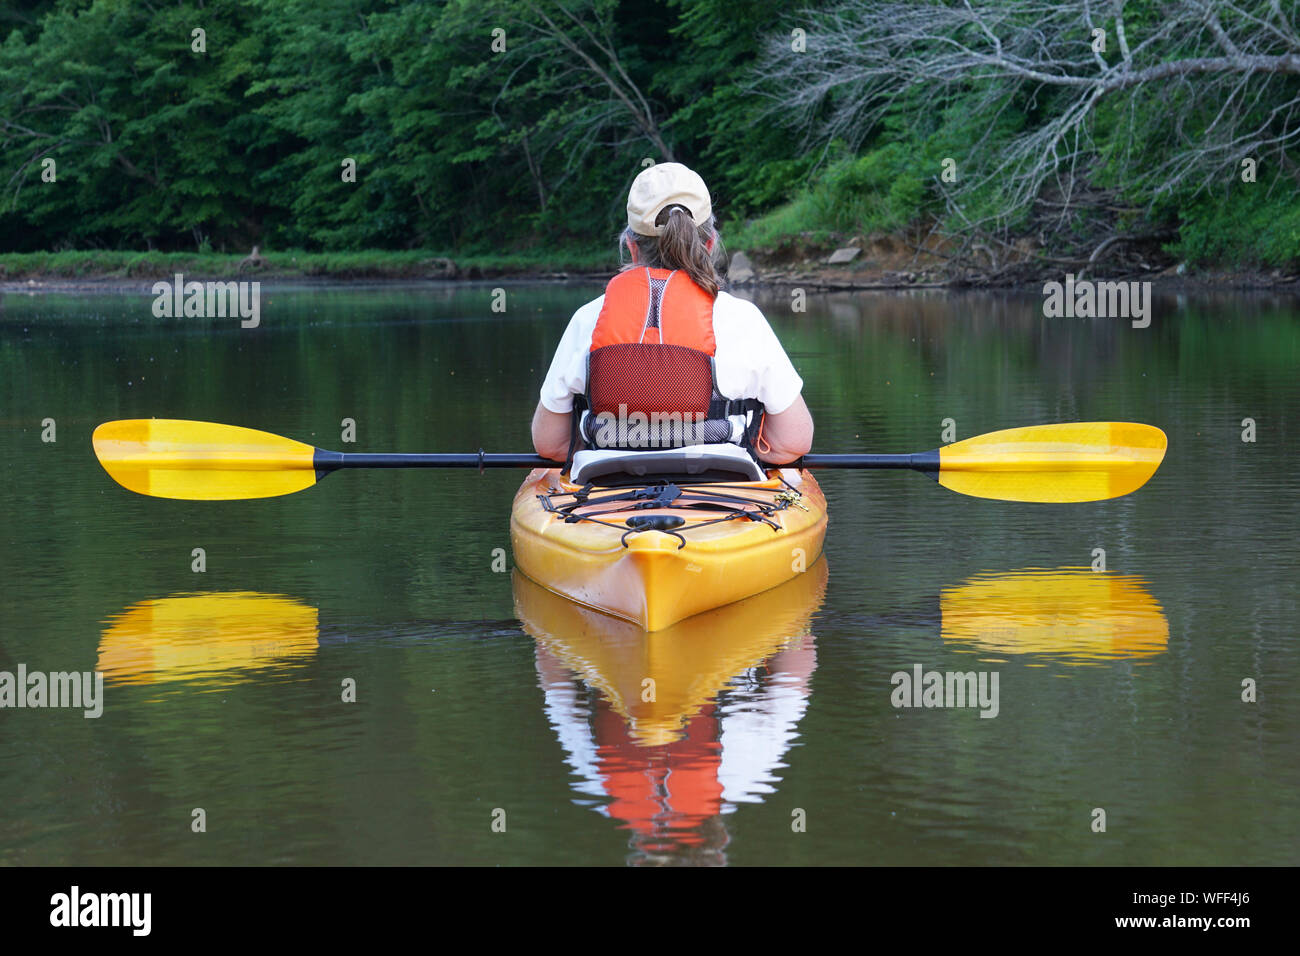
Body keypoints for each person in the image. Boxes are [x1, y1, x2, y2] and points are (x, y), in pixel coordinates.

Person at [531, 162, 813, 465]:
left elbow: (552, 444)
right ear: (709, 243)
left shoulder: (587, 318)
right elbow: (791, 443)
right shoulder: (744, 319)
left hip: (606, 490)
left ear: (631, 246)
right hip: (724, 488)